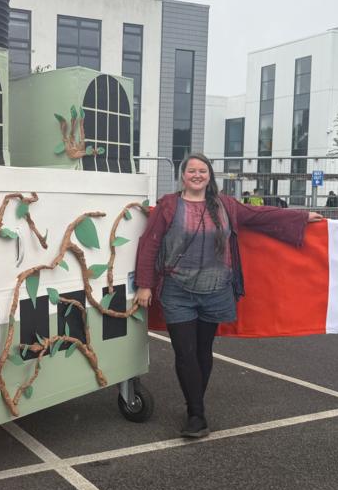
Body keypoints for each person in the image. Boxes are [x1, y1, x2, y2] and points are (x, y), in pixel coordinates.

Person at [134, 153, 323, 438]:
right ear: (182, 176)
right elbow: (150, 243)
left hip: (216, 290)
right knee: (185, 354)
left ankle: (195, 406)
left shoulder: (225, 205)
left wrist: (301, 217)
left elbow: (260, 216)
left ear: (209, 175)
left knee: (202, 351)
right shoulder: (169, 206)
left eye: (202, 170)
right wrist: (145, 284)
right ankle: (196, 414)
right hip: (177, 291)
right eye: (191, 171)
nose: (197, 175)